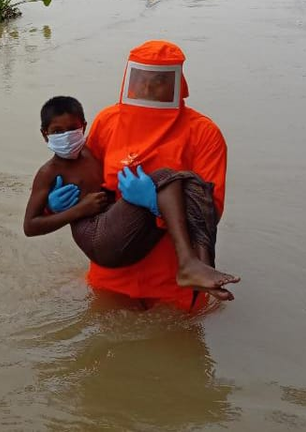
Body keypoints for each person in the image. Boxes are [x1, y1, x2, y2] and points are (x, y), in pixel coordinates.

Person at [46, 41, 239, 311]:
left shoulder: (203, 133)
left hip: (172, 285)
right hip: (110, 276)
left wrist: (156, 206)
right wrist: (56, 203)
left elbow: (211, 210)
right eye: (142, 79)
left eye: (158, 81)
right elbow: (79, 175)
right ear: (130, 79)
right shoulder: (108, 121)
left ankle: (189, 269)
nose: (148, 88)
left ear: (176, 84)